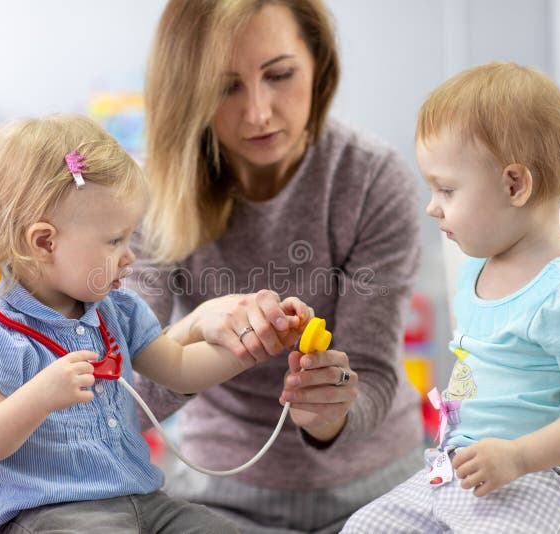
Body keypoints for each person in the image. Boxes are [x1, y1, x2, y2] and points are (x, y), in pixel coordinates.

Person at [124, 1, 424, 531]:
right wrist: (197, 335)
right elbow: (123, 390)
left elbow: (372, 373)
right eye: (226, 86)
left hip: (381, 494)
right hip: (218, 496)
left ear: (319, 64)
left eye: (280, 75)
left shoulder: (373, 178)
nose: (258, 112)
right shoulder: (147, 195)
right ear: (187, 90)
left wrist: (331, 410)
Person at [0, 114, 312, 534]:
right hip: (51, 515)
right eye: (115, 240)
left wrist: (251, 343)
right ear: (45, 242)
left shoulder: (117, 310)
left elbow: (180, 368)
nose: (130, 256)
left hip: (145, 504)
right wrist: (40, 397)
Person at [343, 62, 560, 533]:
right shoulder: (474, 270)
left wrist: (518, 456)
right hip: (464, 468)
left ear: (514, 185)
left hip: (550, 474)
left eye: (446, 189)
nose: (431, 206)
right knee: (363, 527)